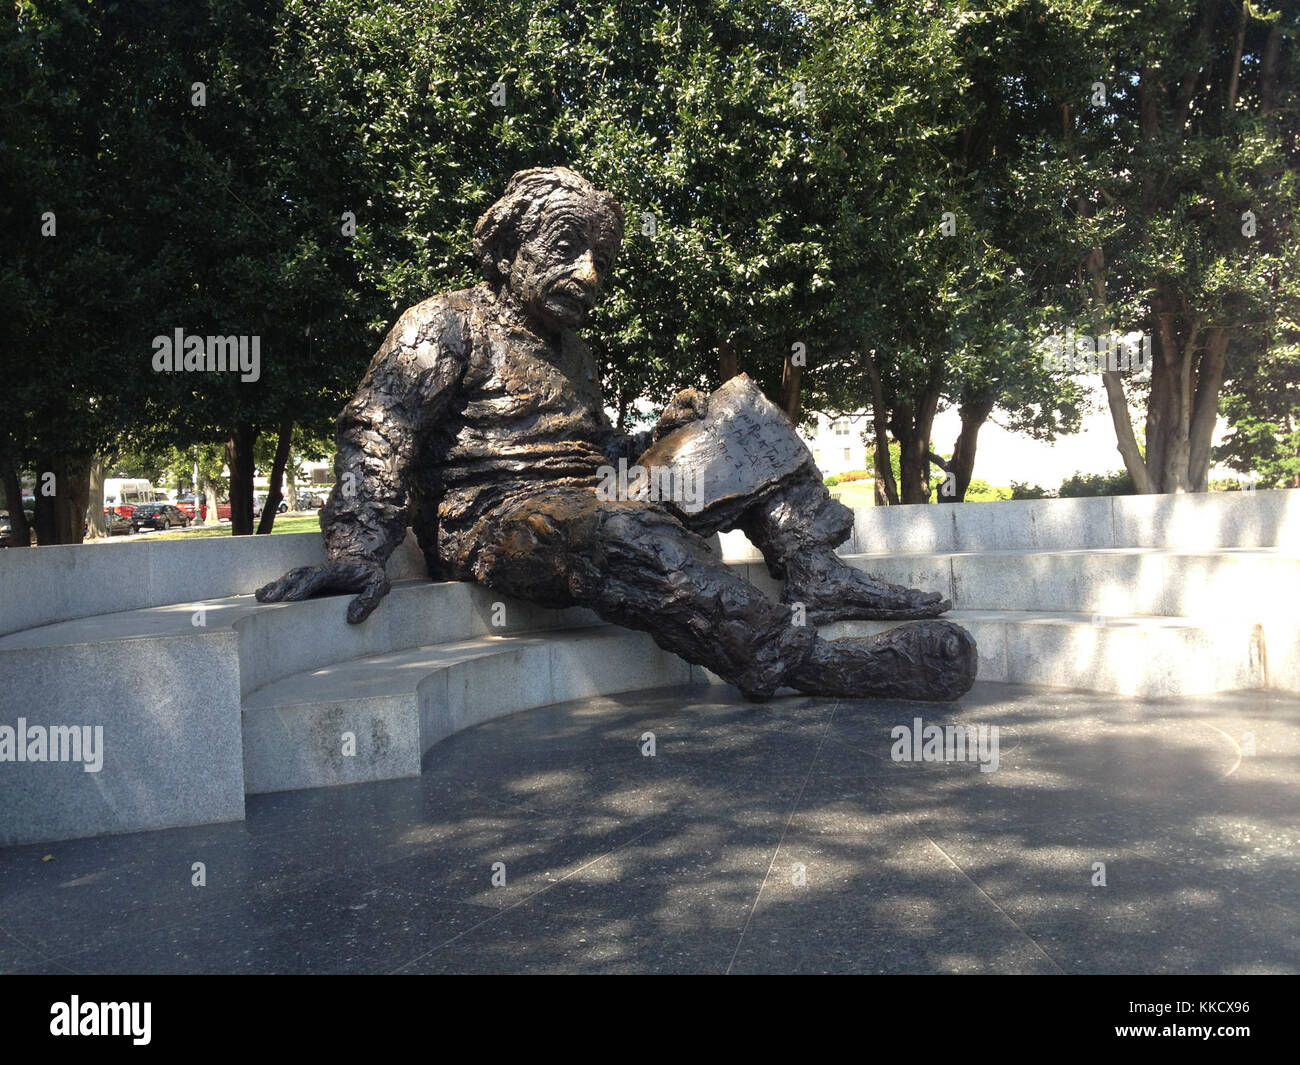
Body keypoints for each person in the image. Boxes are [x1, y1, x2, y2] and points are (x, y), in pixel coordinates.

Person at [256, 167, 976, 702]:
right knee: (615, 531)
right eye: (567, 248)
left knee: (736, 409)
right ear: (510, 248)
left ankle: (811, 566)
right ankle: (797, 659)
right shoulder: (445, 321)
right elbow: (378, 427)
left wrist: (652, 441)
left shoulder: (574, 351)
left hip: (588, 497)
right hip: (494, 520)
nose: (591, 274)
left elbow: (589, 455)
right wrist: (356, 544)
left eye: (600, 258)